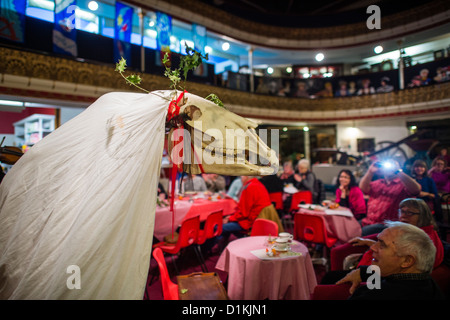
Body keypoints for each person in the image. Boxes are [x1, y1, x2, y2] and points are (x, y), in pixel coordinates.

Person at [320, 198, 444, 285]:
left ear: (423, 216)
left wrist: (364, 273)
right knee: (331, 276)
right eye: (402, 211)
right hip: (374, 270)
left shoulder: (423, 239)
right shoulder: (407, 230)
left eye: (410, 213)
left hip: (380, 276)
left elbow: (399, 264)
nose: (403, 216)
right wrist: (369, 242)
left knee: (329, 278)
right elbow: (395, 251)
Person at [335, 221, 445, 300]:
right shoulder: (423, 280)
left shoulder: (380, 295)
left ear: (407, 261)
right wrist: (364, 272)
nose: (373, 247)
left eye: (382, 245)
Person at [359, 160, 421, 236]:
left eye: (392, 165)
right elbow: (363, 188)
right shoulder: (378, 182)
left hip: (387, 225)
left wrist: (398, 171)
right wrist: (370, 172)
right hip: (368, 221)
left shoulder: (403, 184)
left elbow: (416, 190)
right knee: (346, 228)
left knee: (355, 234)